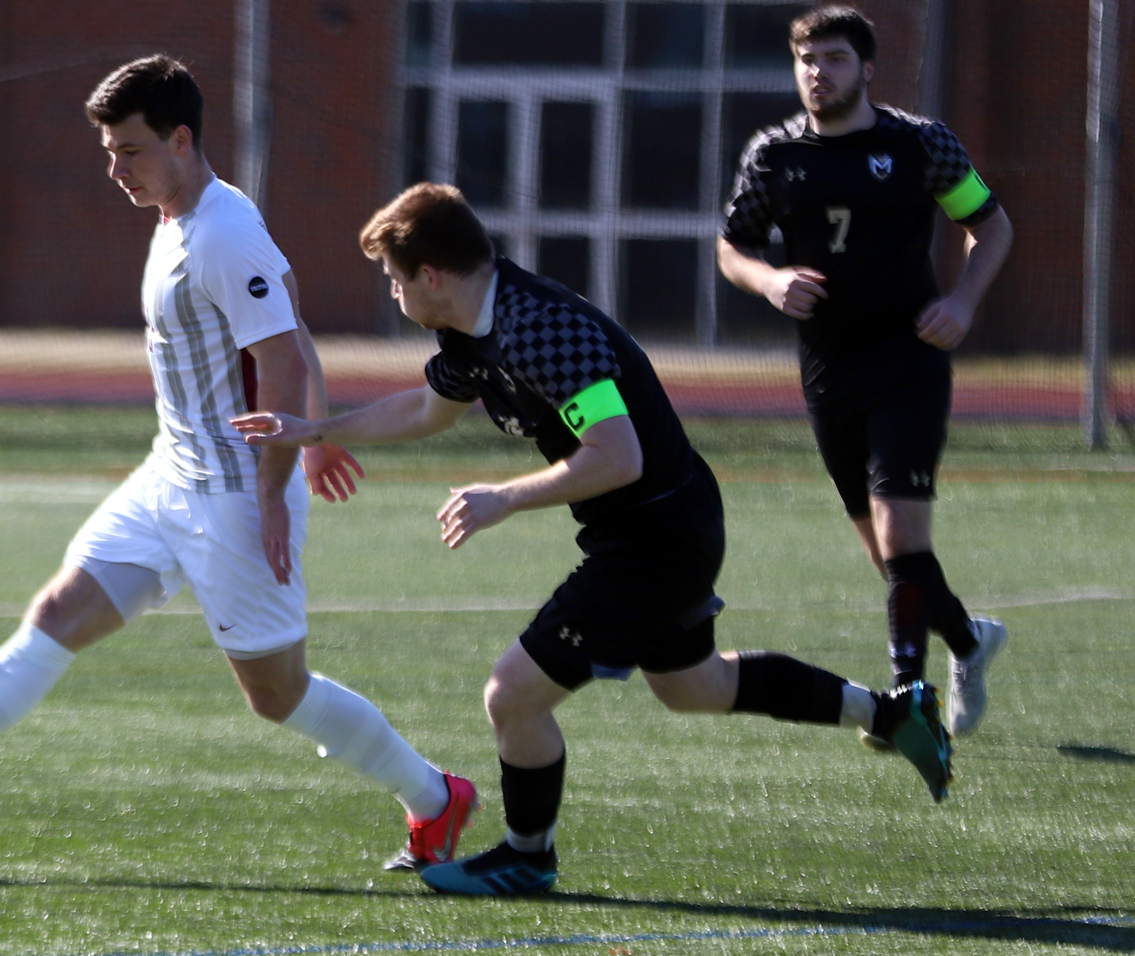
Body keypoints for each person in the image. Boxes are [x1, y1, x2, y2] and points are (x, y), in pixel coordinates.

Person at [0, 55, 479, 873]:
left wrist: (277, 486)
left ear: (181, 140)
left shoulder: (223, 233)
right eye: (110, 152)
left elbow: (284, 354)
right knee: (56, 614)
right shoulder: (180, 217)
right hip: (170, 477)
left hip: (233, 494)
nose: (115, 169)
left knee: (278, 695)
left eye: (129, 151)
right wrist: (318, 432)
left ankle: (437, 800)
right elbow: (290, 328)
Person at [232, 182, 954, 898]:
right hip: (656, 528)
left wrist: (502, 499)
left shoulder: (538, 328)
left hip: (658, 535)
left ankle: (526, 856)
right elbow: (426, 409)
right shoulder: (468, 329)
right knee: (697, 686)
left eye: (394, 279)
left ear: (431, 275)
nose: (392, 294)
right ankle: (893, 712)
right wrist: (314, 430)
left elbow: (618, 456)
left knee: (512, 695)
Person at [715, 5, 1011, 742]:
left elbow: (991, 223)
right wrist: (769, 282)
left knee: (901, 532)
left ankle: (909, 696)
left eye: (836, 59)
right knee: (890, 556)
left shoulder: (918, 146)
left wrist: (964, 302)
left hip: (908, 359)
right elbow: (733, 248)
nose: (820, 73)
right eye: (808, 61)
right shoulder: (774, 155)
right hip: (827, 372)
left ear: (867, 68)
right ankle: (969, 642)